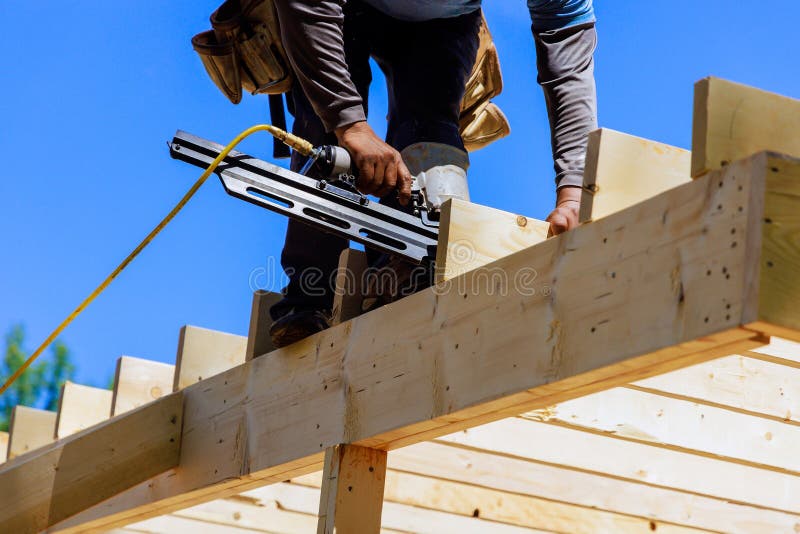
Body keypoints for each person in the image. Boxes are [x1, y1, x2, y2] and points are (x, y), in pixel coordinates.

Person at [269, 0, 597, 347]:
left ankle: (403, 275)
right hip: (333, 9)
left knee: (431, 140)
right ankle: (311, 293)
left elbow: (568, 49)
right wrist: (348, 124)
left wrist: (574, 192)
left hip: (443, 21)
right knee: (328, 140)